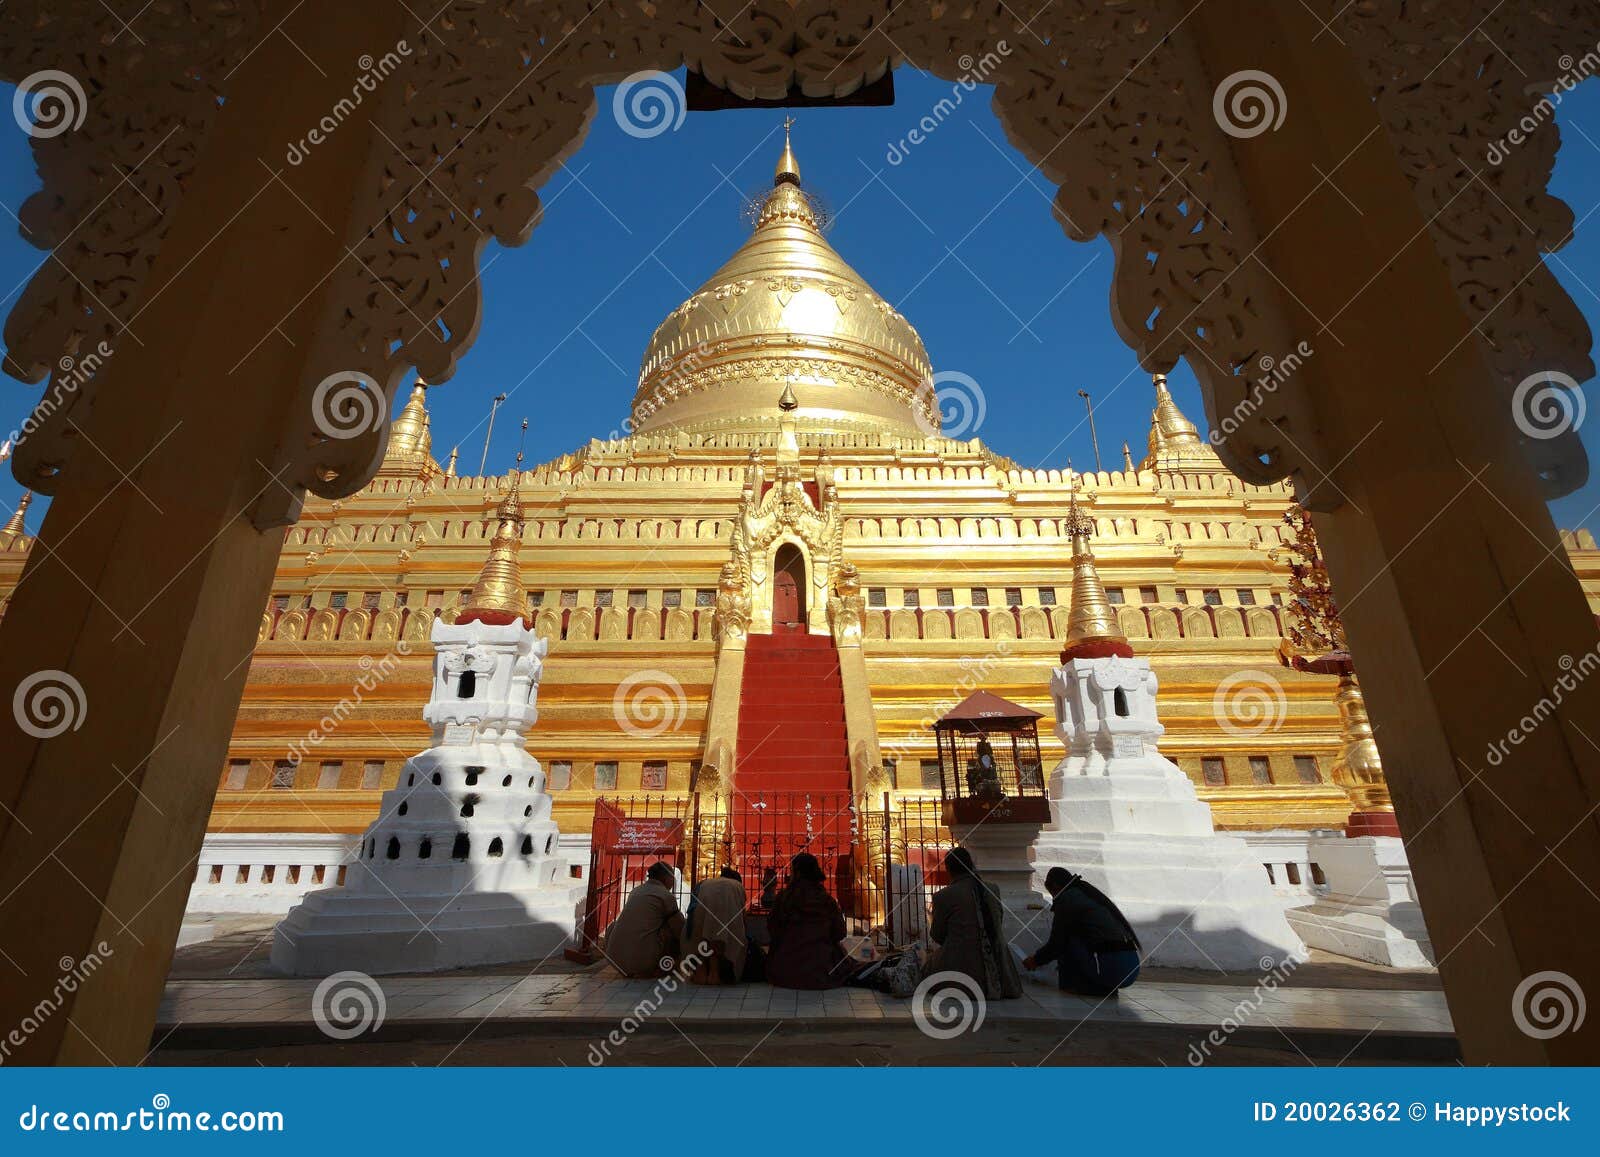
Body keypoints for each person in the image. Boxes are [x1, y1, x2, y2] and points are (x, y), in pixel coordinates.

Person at [1023, 866, 1141, 996]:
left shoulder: (1067, 899)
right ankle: (1102, 983)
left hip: (1113, 968)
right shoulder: (1088, 894)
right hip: (1131, 968)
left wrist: (1035, 960)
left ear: (1055, 886)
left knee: (1069, 938)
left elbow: (1056, 944)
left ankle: (1082, 985)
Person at [928, 848, 1022, 999]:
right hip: (1001, 973)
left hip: (961, 972)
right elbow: (998, 922)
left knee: (925, 965)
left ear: (948, 869)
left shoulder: (943, 896)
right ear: (971, 865)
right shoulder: (993, 889)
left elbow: (937, 936)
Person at [766, 852, 851, 990]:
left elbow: (772, 929)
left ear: (796, 873)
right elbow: (840, 933)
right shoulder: (826, 900)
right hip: (822, 971)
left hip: (785, 971)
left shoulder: (784, 898)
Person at [604, 861, 684, 977]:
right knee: (670, 928)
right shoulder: (665, 895)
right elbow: (679, 928)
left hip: (615, 961)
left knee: (615, 924)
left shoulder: (635, 891)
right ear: (666, 878)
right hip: (642, 962)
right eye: (672, 877)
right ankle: (663, 969)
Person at [684, 866, 748, 984]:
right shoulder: (737, 887)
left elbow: (692, 911)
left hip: (701, 928)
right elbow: (743, 917)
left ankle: (702, 972)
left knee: (706, 936)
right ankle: (716, 972)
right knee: (724, 937)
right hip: (727, 929)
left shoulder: (704, 884)